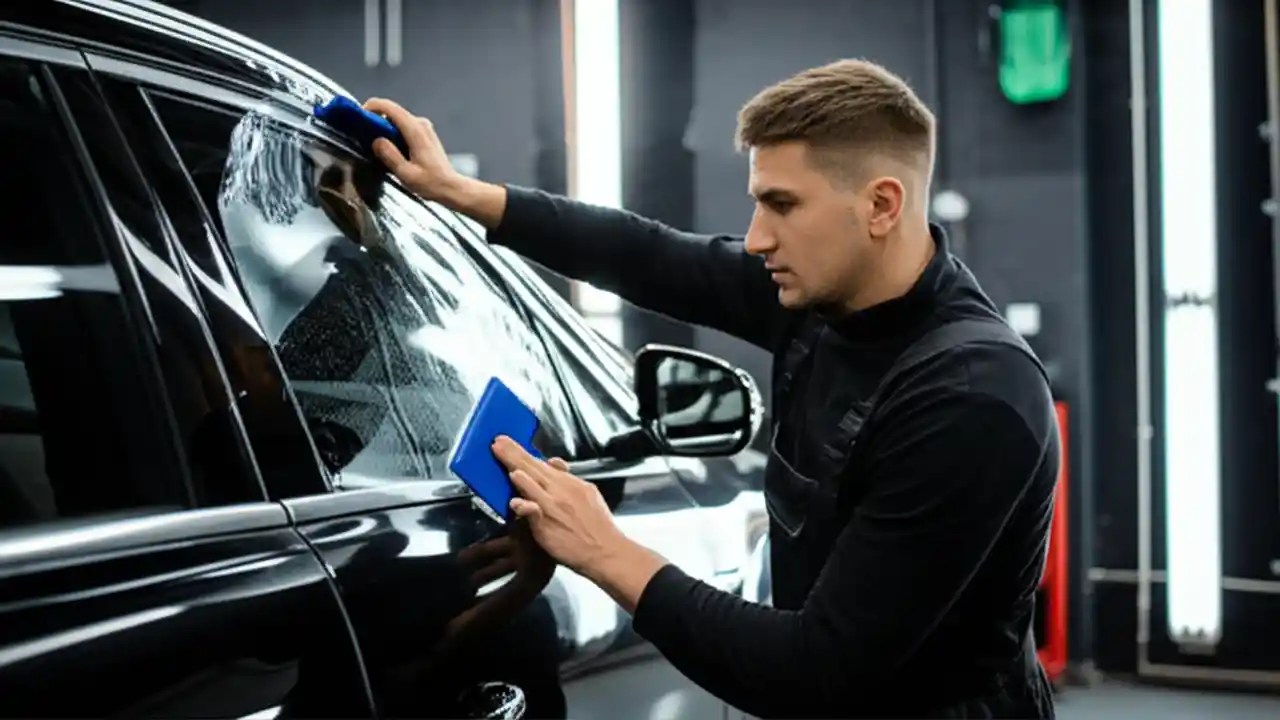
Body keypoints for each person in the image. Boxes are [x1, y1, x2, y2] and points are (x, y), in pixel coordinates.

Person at [364, 57, 1060, 718]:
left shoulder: (970, 400)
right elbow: (648, 254)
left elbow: (817, 671)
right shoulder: (824, 297)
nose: (756, 238)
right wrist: (461, 193)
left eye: (782, 205)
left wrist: (605, 551)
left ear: (881, 205)